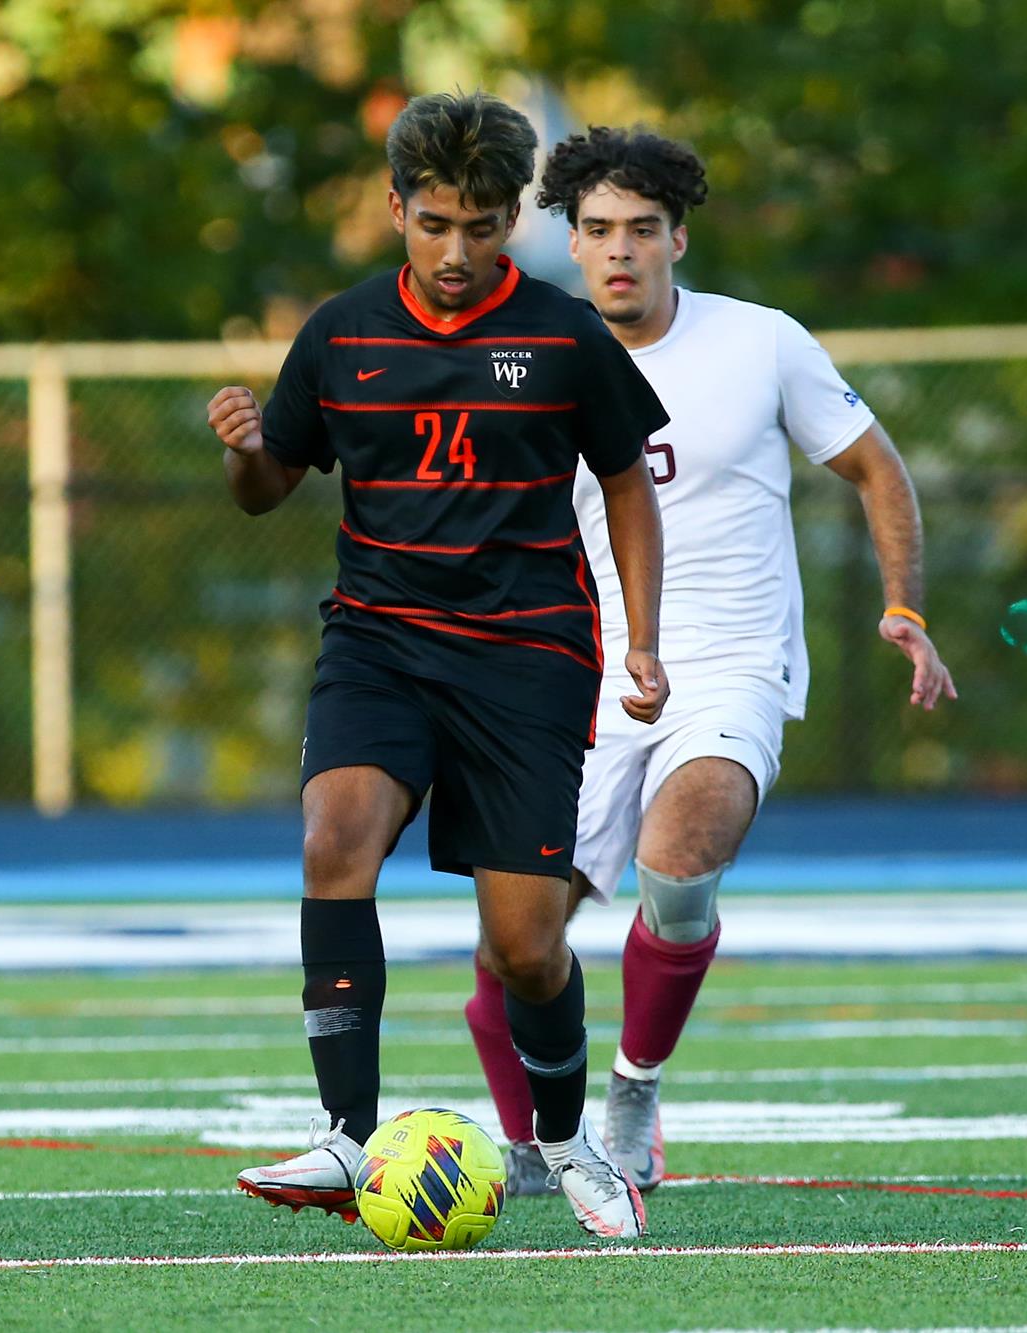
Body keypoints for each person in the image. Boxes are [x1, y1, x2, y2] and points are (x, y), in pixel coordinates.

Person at [205, 92, 673, 1240]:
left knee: (523, 947)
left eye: (478, 225)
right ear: (393, 210)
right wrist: (248, 452)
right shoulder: (340, 333)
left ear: (514, 216)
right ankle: (342, 1135)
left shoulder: (564, 337)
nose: (454, 251)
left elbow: (625, 481)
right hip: (378, 642)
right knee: (333, 839)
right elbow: (272, 488)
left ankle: (563, 1142)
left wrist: (642, 639)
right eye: (431, 225)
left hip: (526, 658)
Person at [463, 127, 958, 1195]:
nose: (618, 252)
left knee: (682, 856)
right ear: (570, 241)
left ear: (676, 238)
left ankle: (634, 1086)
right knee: (511, 948)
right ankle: (532, 1148)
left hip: (731, 663)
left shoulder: (760, 343)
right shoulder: (520, 361)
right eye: (596, 231)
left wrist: (902, 604)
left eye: (641, 230)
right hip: (571, 676)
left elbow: (876, 468)